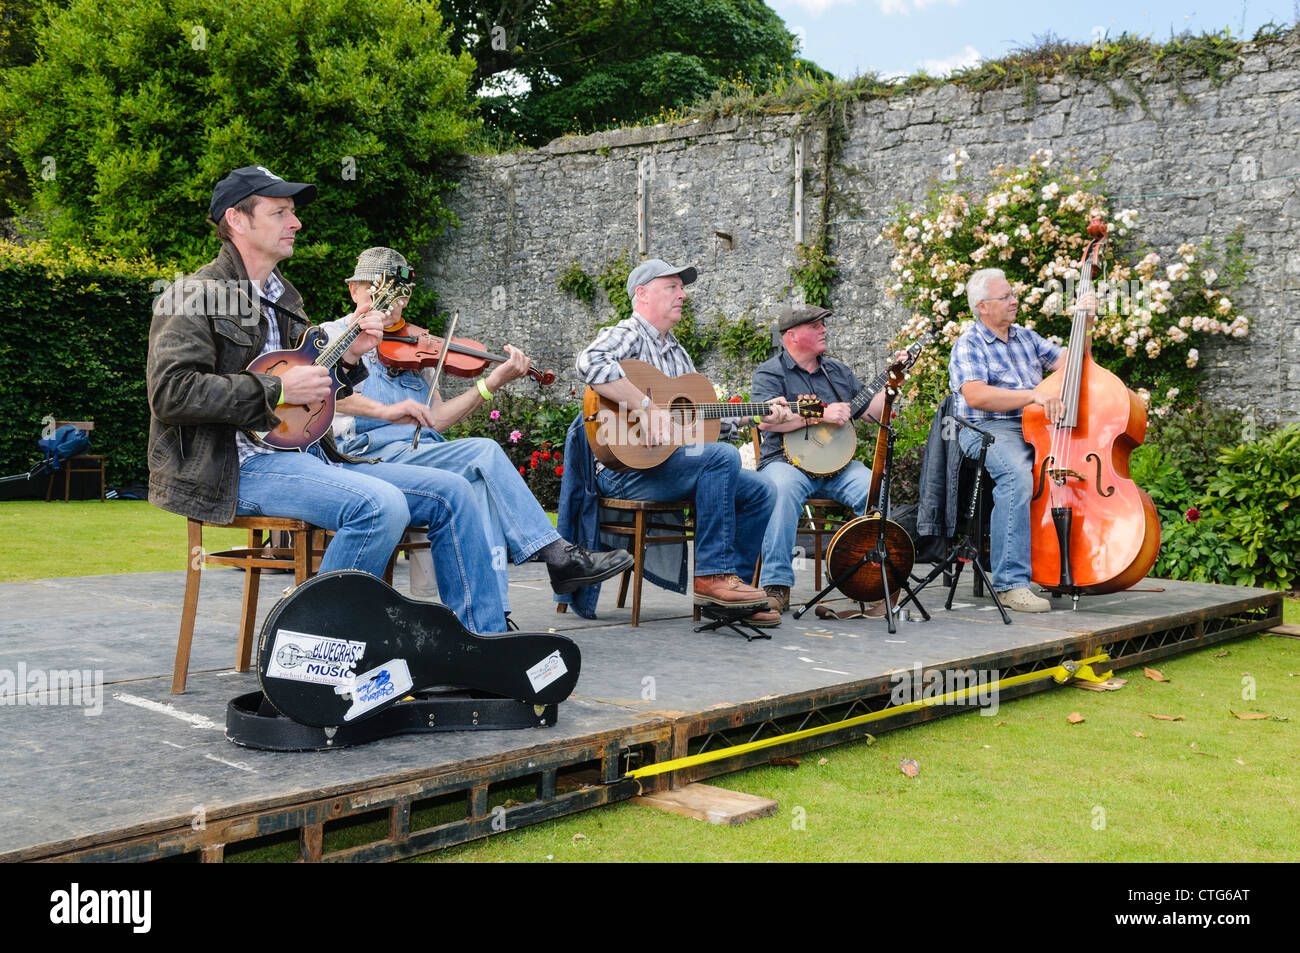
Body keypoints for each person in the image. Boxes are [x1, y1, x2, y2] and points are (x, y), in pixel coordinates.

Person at [146, 165, 505, 634]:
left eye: (293, 213)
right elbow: (171, 393)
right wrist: (276, 390)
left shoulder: (285, 299)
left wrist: (351, 358)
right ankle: (312, 649)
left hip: (308, 456)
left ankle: (480, 642)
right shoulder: (194, 294)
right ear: (236, 220)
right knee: (378, 506)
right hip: (235, 467)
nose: (295, 223)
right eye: (280, 213)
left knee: (452, 492)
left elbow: (312, 398)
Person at [318, 246, 634, 614]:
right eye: (377, 288)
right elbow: (325, 395)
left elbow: (436, 419)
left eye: (400, 294)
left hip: (420, 452)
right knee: (483, 453)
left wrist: (492, 383)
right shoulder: (332, 335)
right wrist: (388, 411)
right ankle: (555, 558)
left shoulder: (415, 346)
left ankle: (491, 616)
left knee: (479, 486)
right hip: (366, 455)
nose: (391, 302)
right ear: (355, 290)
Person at [575, 259, 794, 624]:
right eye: (672, 287)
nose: (683, 294)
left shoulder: (677, 352)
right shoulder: (629, 333)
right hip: (626, 470)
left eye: (682, 287)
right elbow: (588, 361)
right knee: (722, 457)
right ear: (642, 294)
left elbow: (696, 420)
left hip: (667, 465)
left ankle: (731, 595)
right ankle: (712, 577)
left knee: (760, 490)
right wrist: (644, 406)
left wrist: (757, 414)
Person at [947, 267, 1093, 612]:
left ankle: (1067, 568)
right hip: (988, 430)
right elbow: (976, 396)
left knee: (1070, 473)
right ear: (982, 306)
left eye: (1013, 295)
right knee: (1016, 477)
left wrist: (1085, 322)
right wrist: (1033, 396)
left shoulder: (1026, 337)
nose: (1015, 301)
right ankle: (1010, 584)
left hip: (1037, 427)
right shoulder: (969, 344)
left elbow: (1075, 364)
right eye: (1006, 297)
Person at [750, 305, 884, 613]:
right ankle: (776, 585)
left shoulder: (836, 371)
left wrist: (889, 389)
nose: (824, 329)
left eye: (823, 324)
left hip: (837, 467)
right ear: (792, 336)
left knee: (874, 487)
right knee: (780, 491)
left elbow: (870, 413)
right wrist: (820, 415)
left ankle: (857, 574)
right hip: (786, 464)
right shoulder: (771, 373)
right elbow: (764, 420)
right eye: (815, 325)